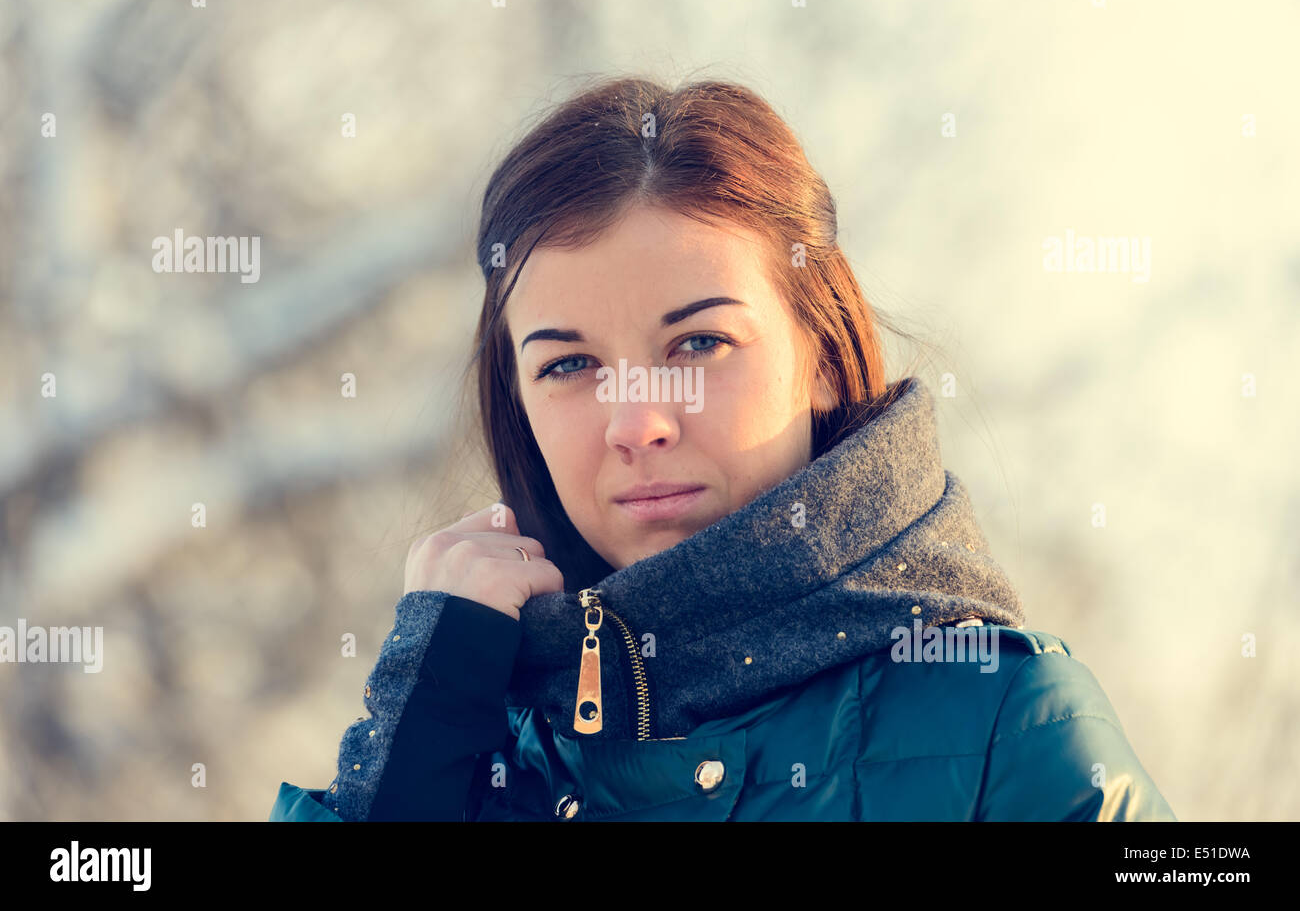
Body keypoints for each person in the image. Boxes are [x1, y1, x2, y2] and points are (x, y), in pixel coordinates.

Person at [269, 76, 1176, 822]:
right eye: (571, 363)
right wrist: (411, 751)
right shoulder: (480, 756)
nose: (638, 421)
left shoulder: (1003, 729)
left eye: (697, 345)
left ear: (818, 355)